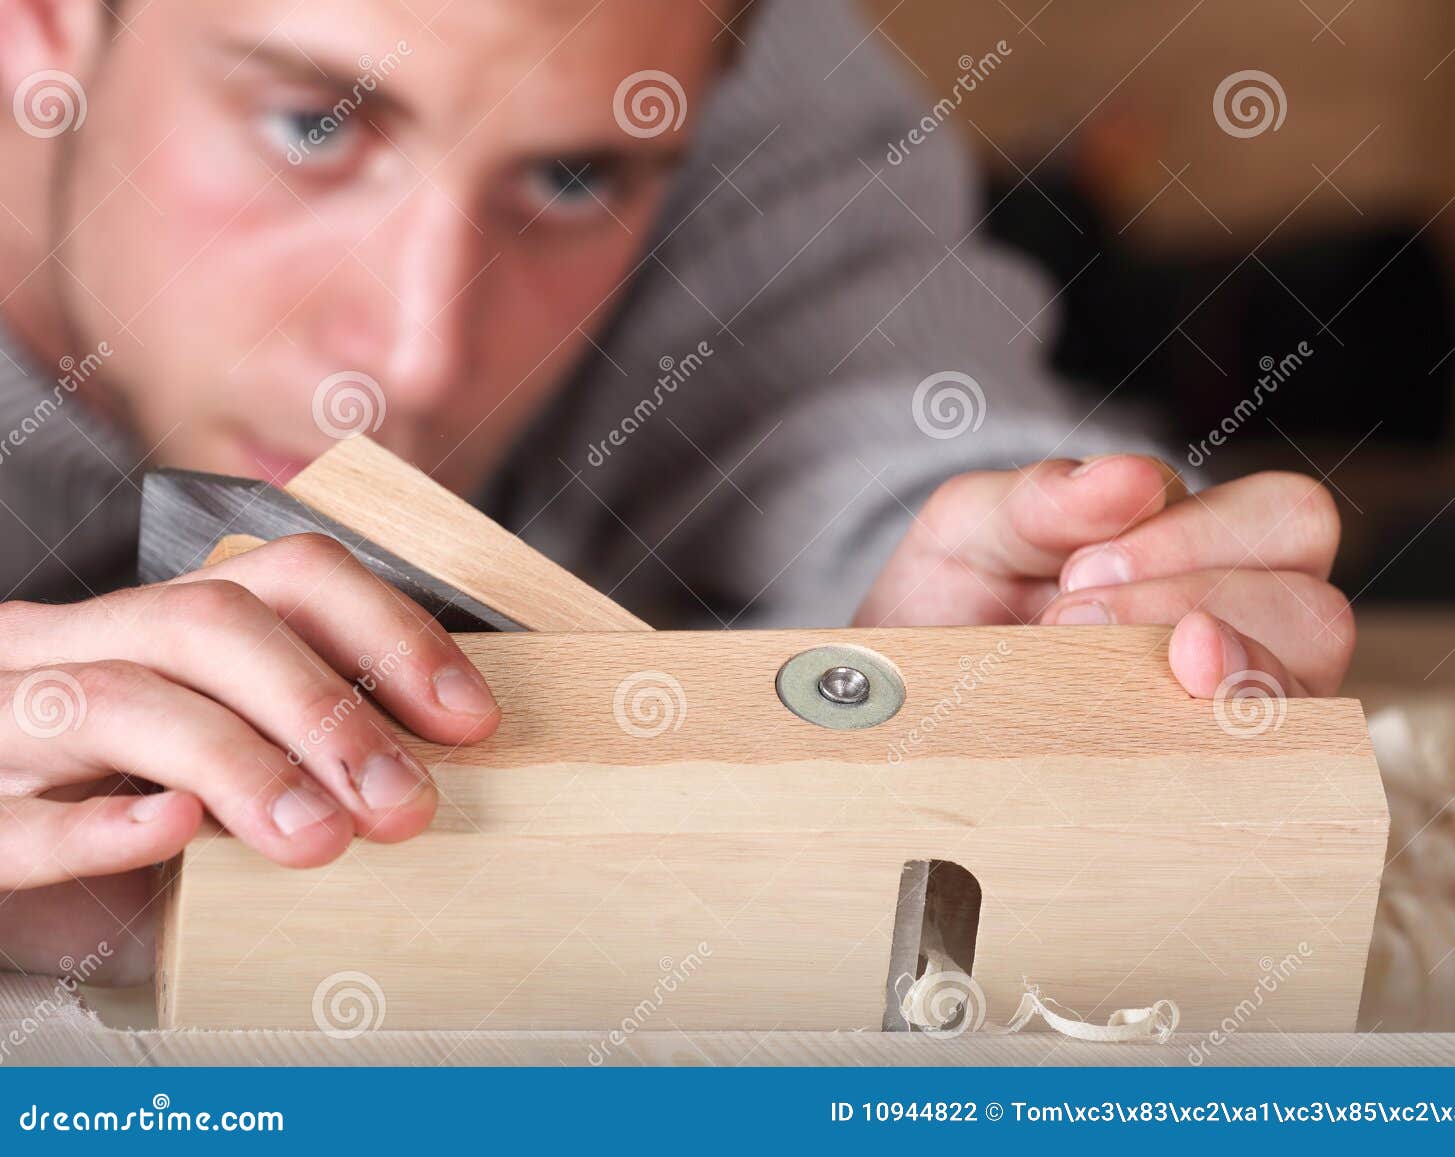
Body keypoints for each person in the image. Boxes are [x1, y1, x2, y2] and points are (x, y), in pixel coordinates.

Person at [0, 0, 1350, 982]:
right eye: (313, 125)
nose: (420, 352)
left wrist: (1036, 610)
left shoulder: (695, 46)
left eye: (571, 177)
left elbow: (874, 399)